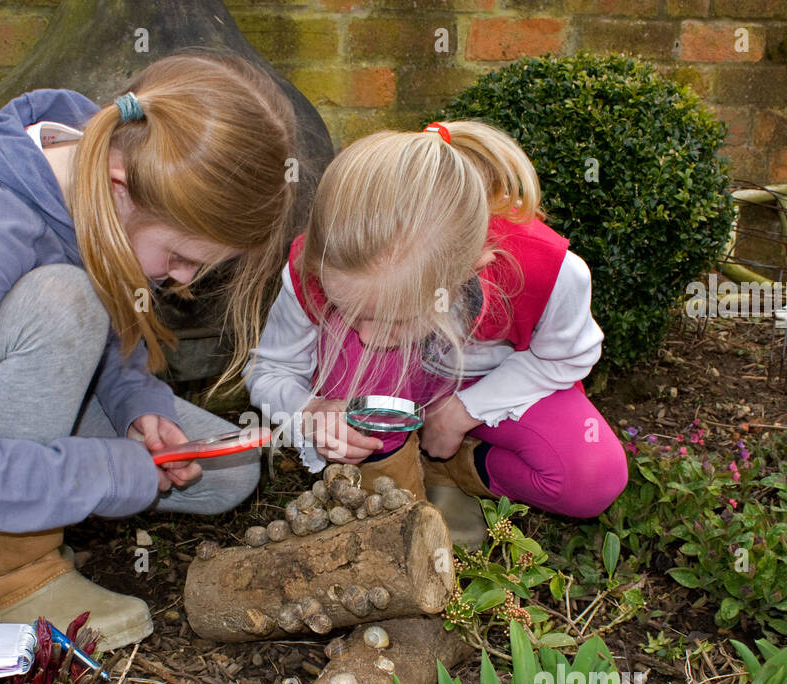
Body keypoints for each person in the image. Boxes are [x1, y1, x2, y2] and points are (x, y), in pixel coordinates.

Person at [0, 54, 297, 648]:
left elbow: (106, 343)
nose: (179, 283)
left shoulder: (112, 174)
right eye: (178, 258)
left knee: (227, 470)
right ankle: (9, 577)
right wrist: (105, 471)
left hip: (14, 387)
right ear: (121, 185)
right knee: (66, 297)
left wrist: (139, 405)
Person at [245, 120, 627, 545]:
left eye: (395, 317)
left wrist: (464, 410)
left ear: (471, 270)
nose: (368, 336)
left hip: (490, 382)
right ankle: (391, 496)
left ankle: (454, 469)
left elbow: (567, 356)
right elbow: (270, 371)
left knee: (591, 476)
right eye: (349, 310)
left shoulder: (550, 271)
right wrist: (309, 411)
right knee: (363, 360)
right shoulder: (318, 263)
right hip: (396, 386)